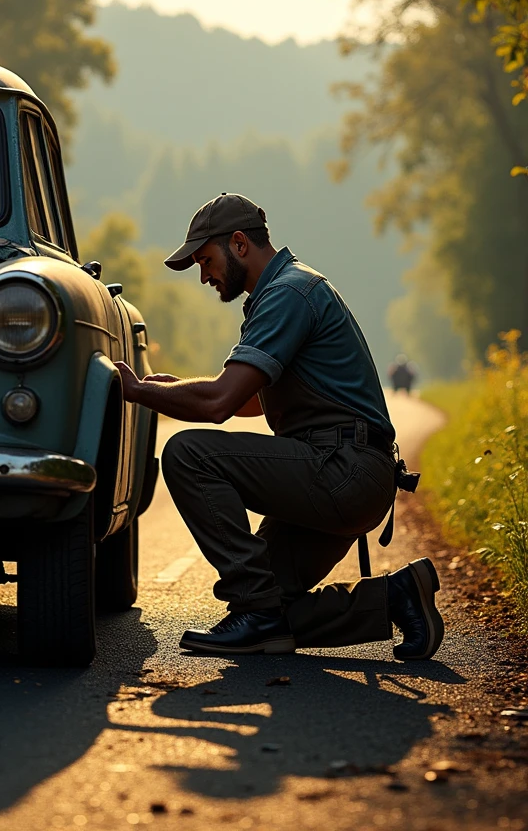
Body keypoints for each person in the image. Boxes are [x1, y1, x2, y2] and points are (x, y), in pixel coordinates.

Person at [116, 193, 444, 660]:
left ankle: (257, 611)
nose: (205, 276)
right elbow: (250, 399)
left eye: (205, 261)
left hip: (343, 471)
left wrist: (139, 390)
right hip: (346, 471)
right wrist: (177, 388)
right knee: (272, 606)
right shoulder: (288, 290)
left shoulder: (287, 294)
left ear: (239, 244)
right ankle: (398, 597)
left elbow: (220, 403)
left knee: (188, 453)